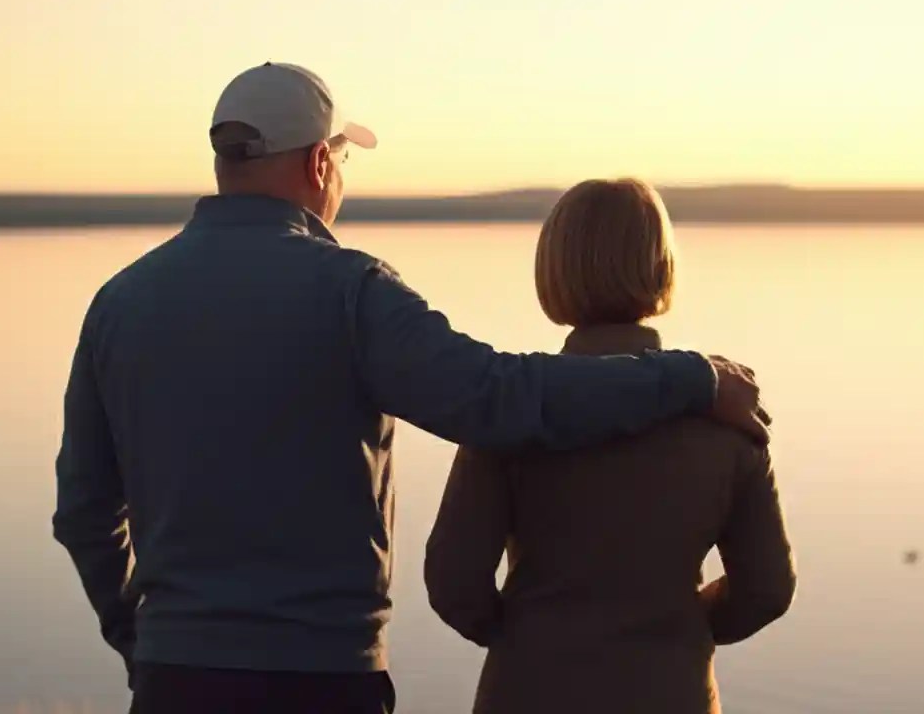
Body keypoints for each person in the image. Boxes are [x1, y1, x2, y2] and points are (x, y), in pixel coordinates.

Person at [52, 63, 768, 714]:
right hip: (326, 681)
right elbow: (499, 397)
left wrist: (138, 638)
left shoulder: (119, 304)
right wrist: (691, 377)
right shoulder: (351, 293)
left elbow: (85, 511)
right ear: (318, 162)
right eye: (343, 160)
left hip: (175, 677)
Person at [425, 178, 796, 714]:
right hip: (672, 692)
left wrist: (524, 636)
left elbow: (455, 583)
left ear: (554, 268)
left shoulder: (515, 413)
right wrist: (685, 626)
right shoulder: (728, 421)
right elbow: (766, 590)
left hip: (528, 691)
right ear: (661, 264)